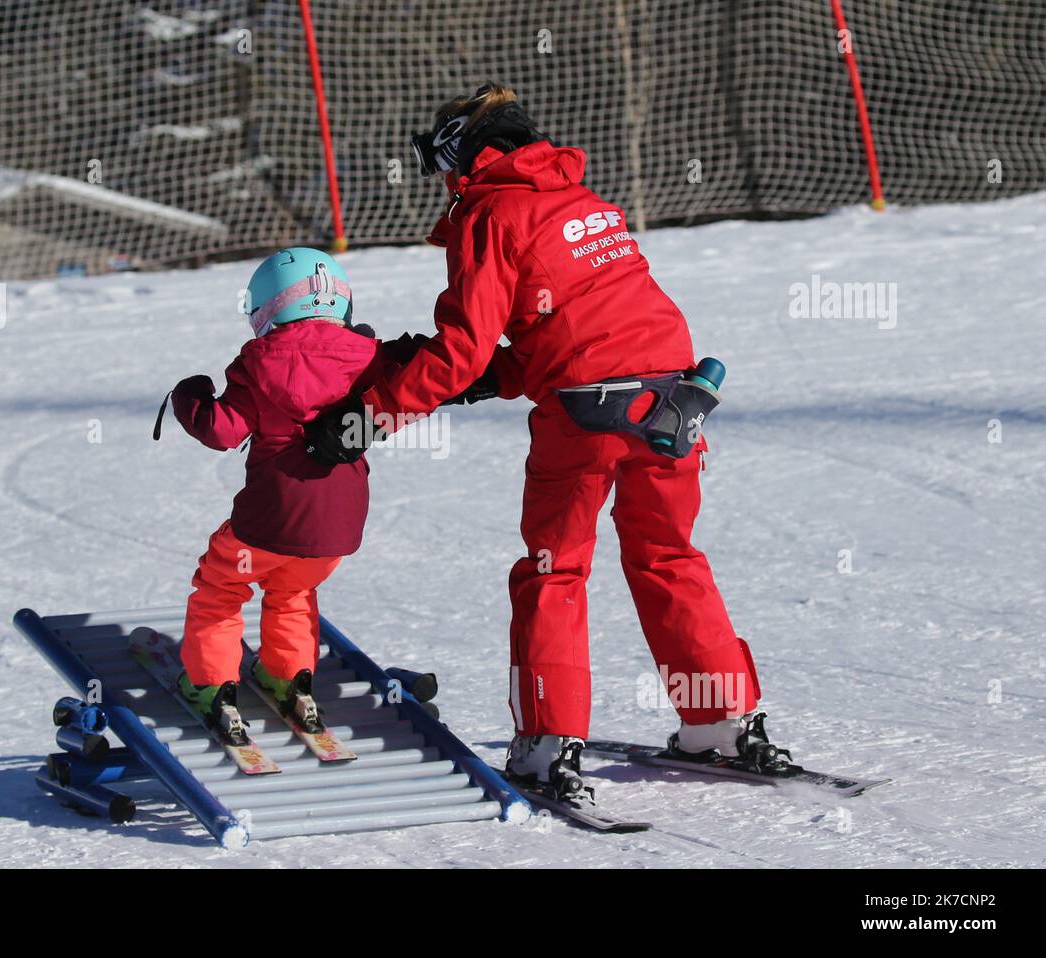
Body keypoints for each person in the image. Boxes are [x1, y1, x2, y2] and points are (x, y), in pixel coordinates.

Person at [306, 85, 782, 801]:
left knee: (554, 571)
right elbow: (570, 326)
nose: (442, 179)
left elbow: (463, 348)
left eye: (441, 160)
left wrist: (368, 417)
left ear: (464, 153)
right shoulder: (585, 204)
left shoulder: (488, 212)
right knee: (669, 556)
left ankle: (547, 744)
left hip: (587, 415)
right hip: (676, 401)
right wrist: (489, 378)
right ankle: (721, 719)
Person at [167, 247, 396, 738]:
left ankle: (210, 684)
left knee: (220, 587)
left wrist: (189, 396)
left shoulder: (260, 361)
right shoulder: (369, 358)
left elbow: (223, 431)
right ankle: (287, 679)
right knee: (294, 588)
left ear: (266, 308)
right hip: (337, 527)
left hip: (269, 520)